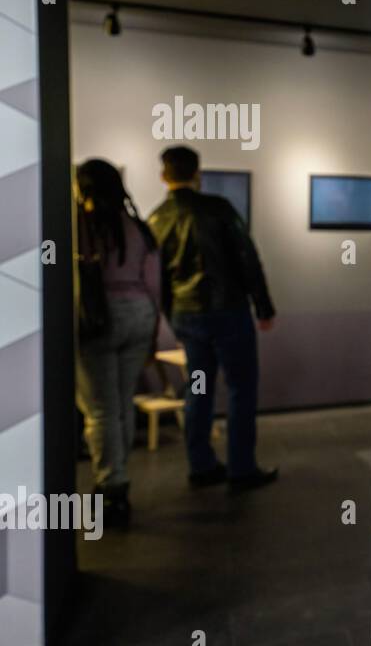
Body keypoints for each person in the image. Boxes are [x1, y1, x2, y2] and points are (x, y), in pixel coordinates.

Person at [147, 145, 278, 491]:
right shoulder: (218, 209)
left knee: (198, 388)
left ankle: (201, 465)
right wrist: (263, 306)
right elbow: (247, 258)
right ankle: (241, 468)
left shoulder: (156, 219)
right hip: (229, 312)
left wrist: (167, 317)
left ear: (163, 176)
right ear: (197, 173)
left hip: (186, 317)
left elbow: (155, 277)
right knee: (240, 389)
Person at [74, 160, 161, 527]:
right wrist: (154, 327)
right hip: (140, 314)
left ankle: (110, 485)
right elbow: (155, 283)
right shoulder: (137, 227)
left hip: (98, 319)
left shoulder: (80, 226)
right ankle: (117, 479)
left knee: (100, 408)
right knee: (122, 403)